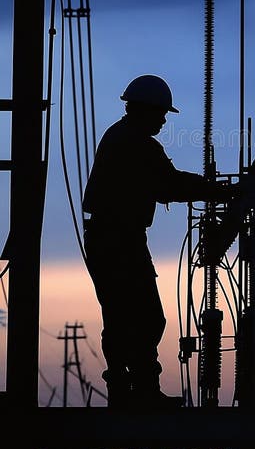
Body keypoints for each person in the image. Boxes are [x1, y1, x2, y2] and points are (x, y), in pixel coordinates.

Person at [82, 74, 235, 412]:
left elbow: (165, 184)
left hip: (113, 237)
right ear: (145, 110)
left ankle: (128, 389)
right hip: (118, 239)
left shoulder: (120, 137)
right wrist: (221, 191)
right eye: (161, 113)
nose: (164, 121)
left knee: (122, 315)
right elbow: (170, 185)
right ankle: (140, 390)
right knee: (147, 317)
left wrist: (209, 188)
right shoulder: (136, 143)